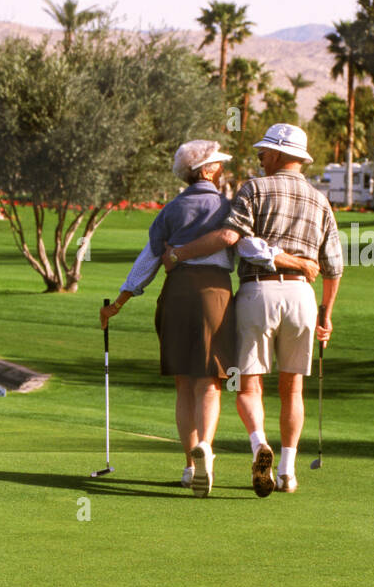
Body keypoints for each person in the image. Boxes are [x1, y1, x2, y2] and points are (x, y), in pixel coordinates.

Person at [99, 139, 316, 498]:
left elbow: (148, 262)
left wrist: (119, 302)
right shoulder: (227, 207)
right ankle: (208, 455)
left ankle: (190, 465)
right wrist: (294, 263)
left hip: (176, 294)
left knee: (184, 383)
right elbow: (246, 246)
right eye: (218, 163)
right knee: (211, 383)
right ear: (207, 170)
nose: (223, 168)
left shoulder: (168, 210)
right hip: (214, 294)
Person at [163, 123, 343, 496]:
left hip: (258, 292)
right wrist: (326, 313)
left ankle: (260, 445)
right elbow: (334, 266)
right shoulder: (320, 200)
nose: (260, 157)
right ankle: (288, 471)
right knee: (293, 388)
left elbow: (236, 239)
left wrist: (178, 253)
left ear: (278, 154)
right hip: (302, 298)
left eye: (264, 152)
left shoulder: (253, 189)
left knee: (248, 385)